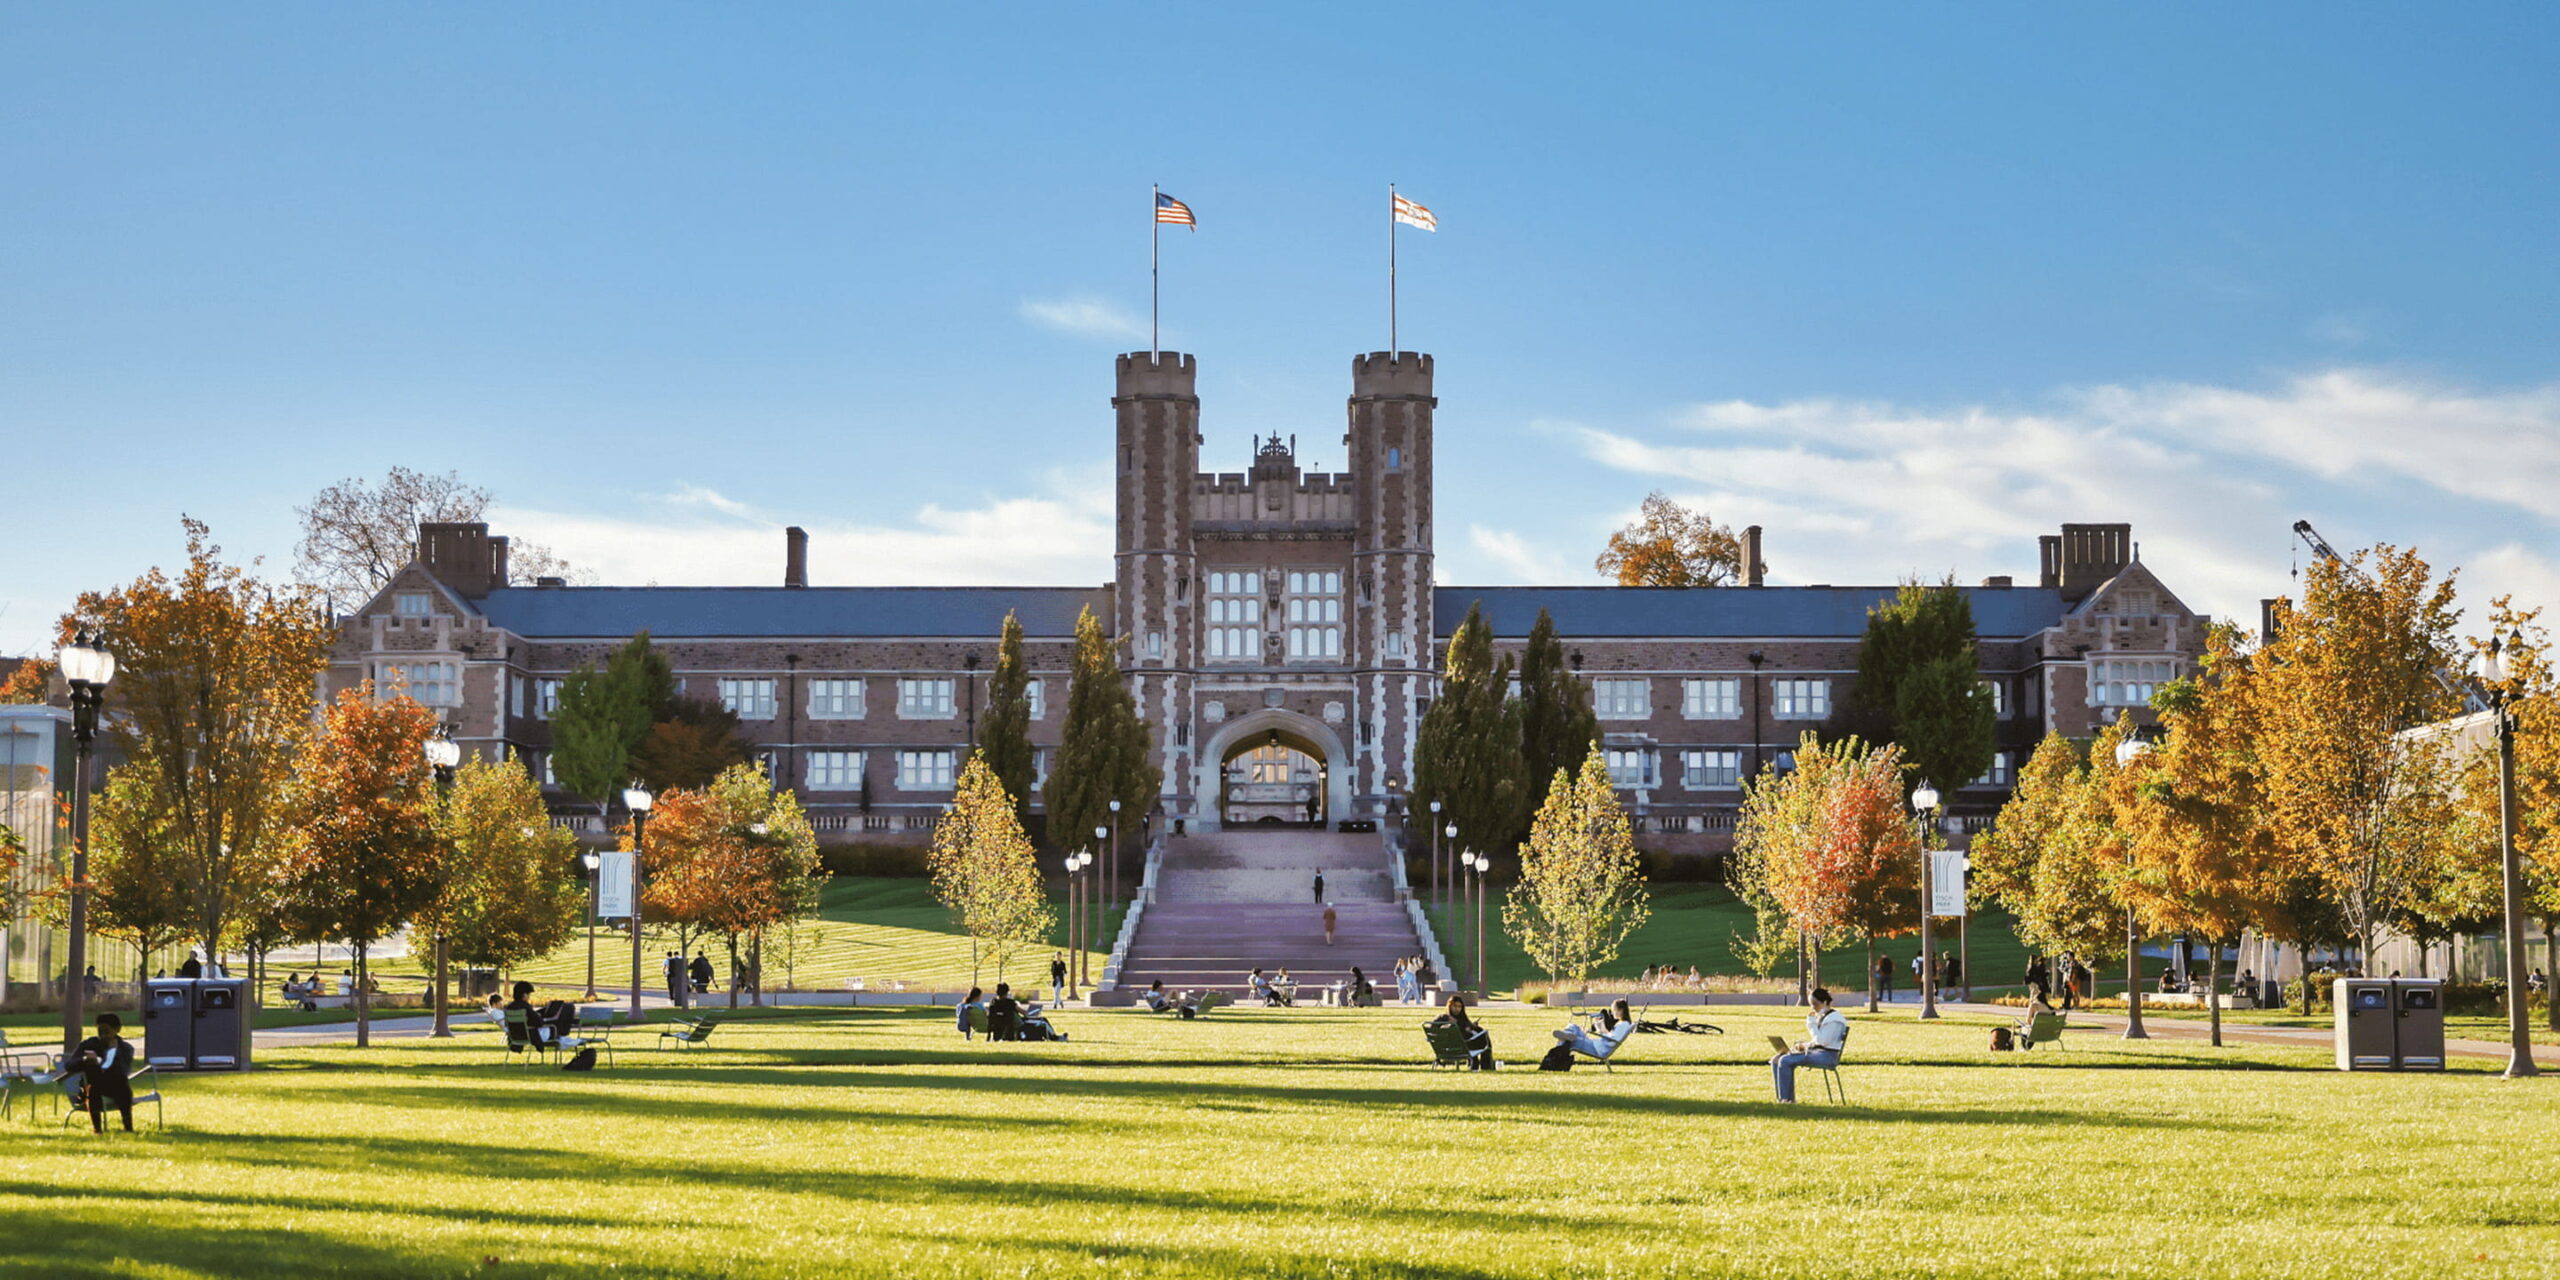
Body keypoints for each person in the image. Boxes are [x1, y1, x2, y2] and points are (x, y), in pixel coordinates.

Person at [1770, 987, 1848, 1103]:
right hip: (1819, 1052)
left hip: (1828, 1056)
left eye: (1815, 1004)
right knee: (1777, 1059)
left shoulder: (1835, 1020)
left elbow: (1823, 1041)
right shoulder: (1825, 1017)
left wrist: (1811, 1024)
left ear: (1825, 1002)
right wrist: (1805, 1045)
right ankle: (1783, 1097)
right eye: (1811, 1004)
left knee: (1785, 1060)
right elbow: (1819, 1041)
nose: (1813, 1008)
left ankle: (1786, 1099)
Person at [74, 1013, 137, 1133]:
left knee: (123, 1087)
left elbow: (123, 1070)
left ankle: (128, 1128)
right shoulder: (89, 1045)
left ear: (117, 1029)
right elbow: (70, 1065)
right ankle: (97, 1129)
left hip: (115, 1084)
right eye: (100, 1032)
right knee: (93, 1087)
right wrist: (84, 1060)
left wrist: (111, 1053)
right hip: (93, 1085)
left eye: (107, 1032)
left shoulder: (125, 1048)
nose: (103, 1036)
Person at [1553, 998, 1638, 1062]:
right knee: (1573, 1026)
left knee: (1569, 1040)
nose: (1612, 1013)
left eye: (1614, 1010)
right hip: (1596, 1044)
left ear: (1621, 1010)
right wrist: (1600, 1028)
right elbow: (1611, 1037)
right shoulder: (1622, 1024)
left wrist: (1601, 1030)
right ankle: (1567, 1034)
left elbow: (1612, 1042)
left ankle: (1554, 1057)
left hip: (1597, 1049)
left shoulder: (1623, 1025)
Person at [1428, 995, 1495, 1071]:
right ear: (1449, 1006)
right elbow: (1465, 1032)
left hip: (1447, 1049)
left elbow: (1431, 1029)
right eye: (1454, 1006)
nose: (1457, 1009)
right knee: (1484, 1037)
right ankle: (1485, 1066)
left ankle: (1475, 1064)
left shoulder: (1443, 1018)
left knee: (1480, 1032)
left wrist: (1471, 1026)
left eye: (1459, 1006)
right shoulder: (1449, 1019)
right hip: (1461, 1048)